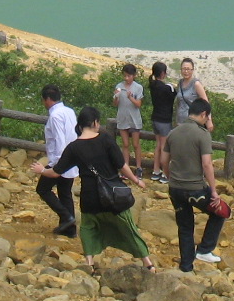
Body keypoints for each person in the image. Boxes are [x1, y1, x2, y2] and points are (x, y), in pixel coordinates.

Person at [52, 105, 155, 274]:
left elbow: (57, 171)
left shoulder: (73, 147)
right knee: (129, 229)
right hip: (113, 197)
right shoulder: (105, 139)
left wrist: (41, 171)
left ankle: (89, 263)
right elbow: (122, 165)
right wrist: (136, 180)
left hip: (89, 198)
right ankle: (148, 263)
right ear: (95, 122)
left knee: (88, 228)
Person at [166, 97, 226, 271]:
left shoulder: (173, 132)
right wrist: (213, 191)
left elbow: (164, 161)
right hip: (195, 188)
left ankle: (186, 267)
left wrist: (171, 177)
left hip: (175, 188)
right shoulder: (203, 134)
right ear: (203, 114)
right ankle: (205, 249)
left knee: (185, 226)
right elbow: (207, 164)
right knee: (220, 212)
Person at [31, 84, 79, 238]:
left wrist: (58, 166)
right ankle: (69, 230)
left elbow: (59, 140)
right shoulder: (69, 111)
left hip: (60, 160)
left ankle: (67, 217)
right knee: (65, 193)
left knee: (43, 189)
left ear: (47, 99)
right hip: (72, 158)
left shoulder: (55, 116)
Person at [113, 63, 144, 172]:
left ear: (134, 75)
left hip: (134, 119)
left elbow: (139, 104)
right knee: (125, 144)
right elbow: (115, 104)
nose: (126, 78)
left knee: (135, 144)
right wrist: (116, 96)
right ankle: (126, 168)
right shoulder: (119, 86)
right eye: (125, 76)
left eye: (129, 76)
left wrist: (130, 98)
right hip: (122, 118)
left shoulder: (138, 87)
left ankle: (139, 167)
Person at [148, 60, 176, 182]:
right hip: (164, 120)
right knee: (164, 146)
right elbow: (174, 95)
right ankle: (165, 173)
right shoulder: (166, 88)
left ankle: (156, 171)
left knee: (158, 145)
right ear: (163, 73)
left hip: (155, 118)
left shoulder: (153, 85)